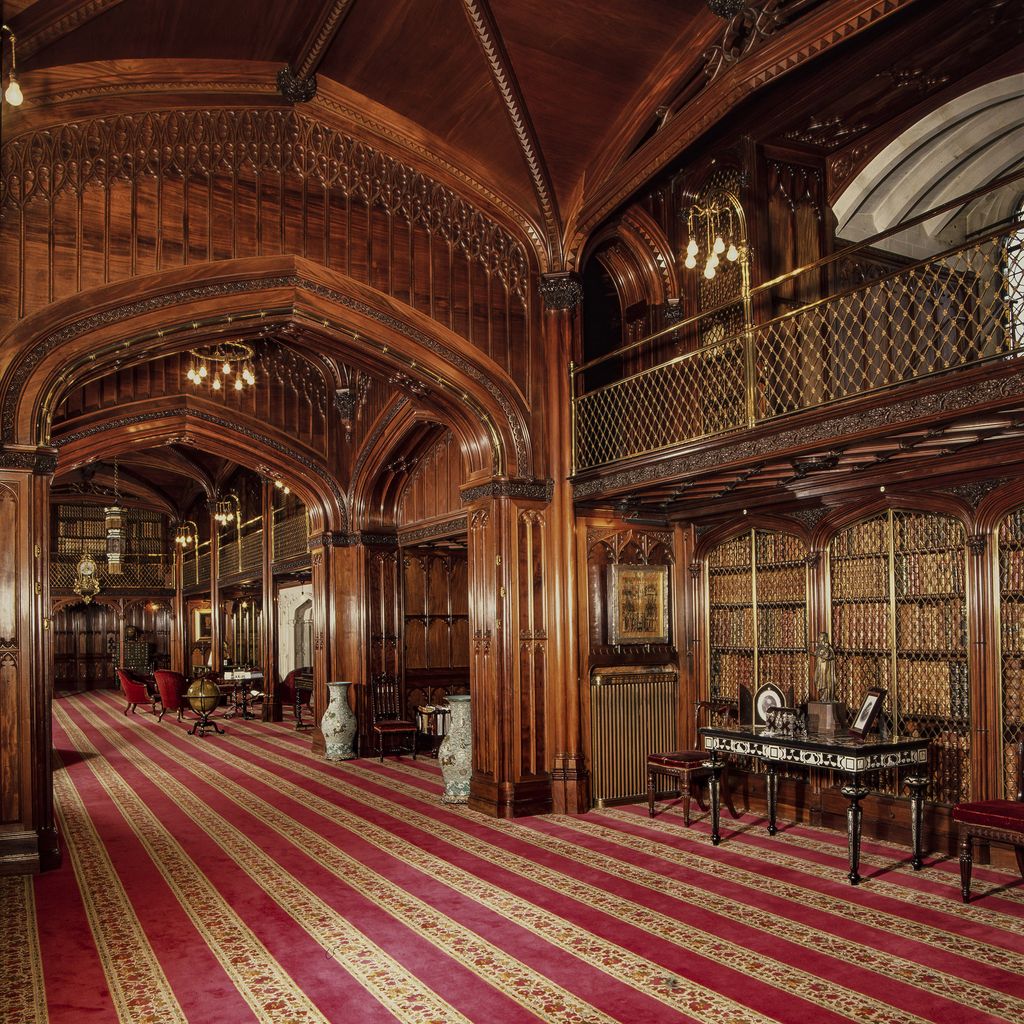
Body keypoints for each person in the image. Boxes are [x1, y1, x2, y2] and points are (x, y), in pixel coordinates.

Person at [813, 631, 837, 703]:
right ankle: (822, 697)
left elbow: (830, 655)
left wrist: (824, 655)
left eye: (821, 636)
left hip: (825, 666)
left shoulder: (828, 647)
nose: (819, 638)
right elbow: (816, 653)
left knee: (825, 681)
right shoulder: (819, 646)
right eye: (819, 636)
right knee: (817, 679)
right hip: (819, 665)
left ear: (824, 638)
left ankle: (826, 697)